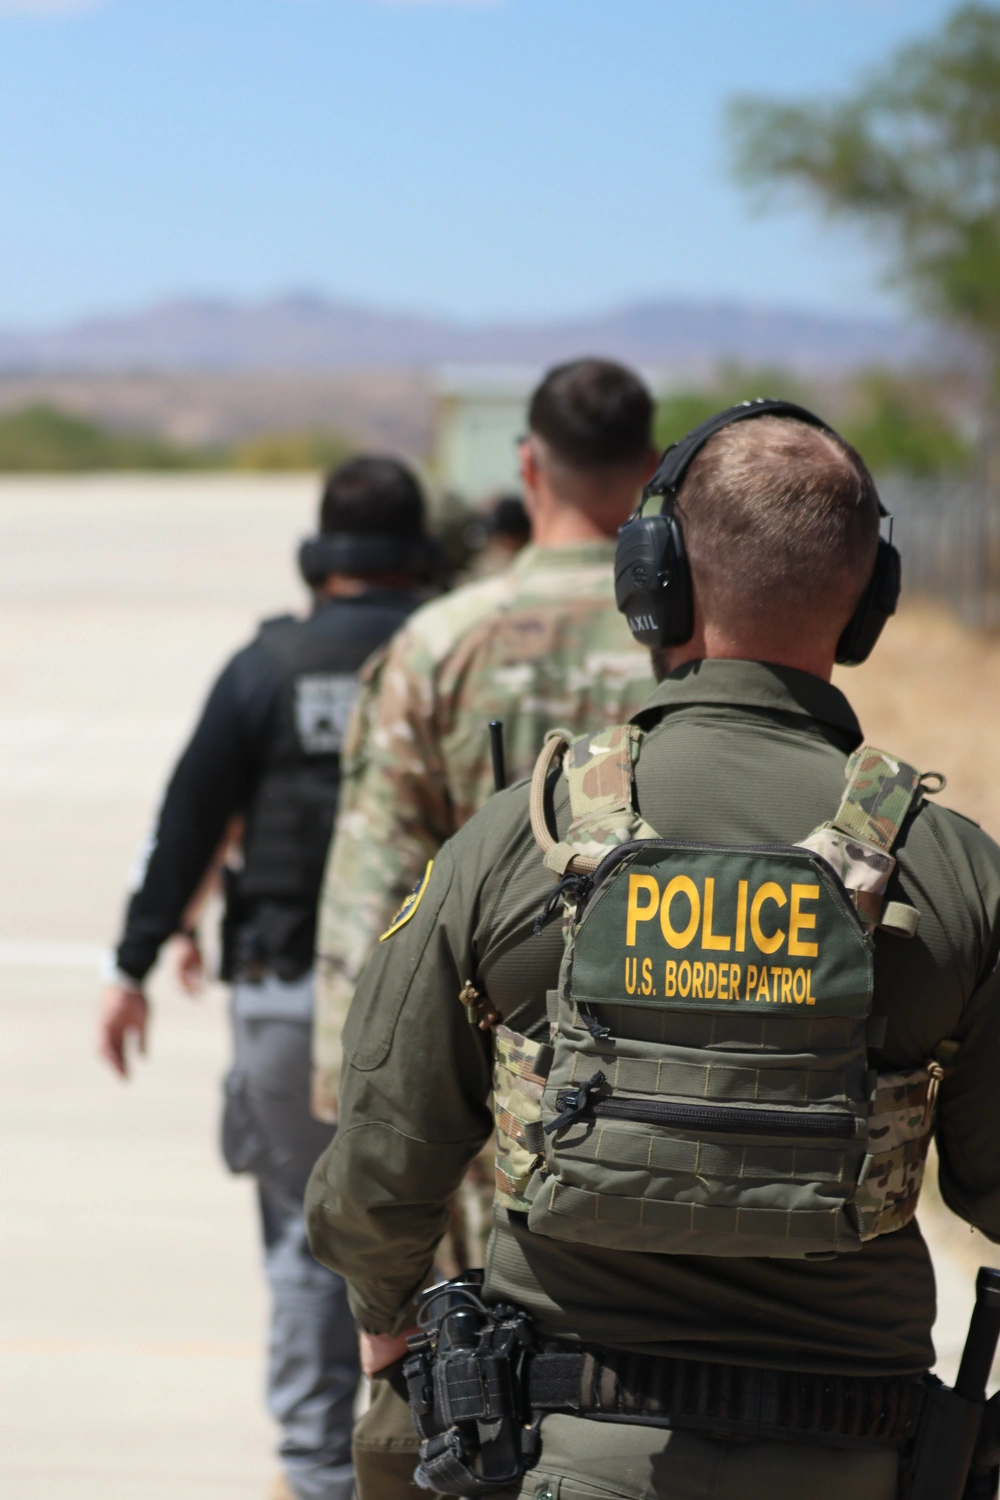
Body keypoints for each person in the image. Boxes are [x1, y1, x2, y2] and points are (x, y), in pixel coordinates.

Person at [304, 404, 1000, 1500]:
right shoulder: (950, 869)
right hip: (859, 1454)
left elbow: (385, 1150)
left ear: (654, 581)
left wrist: (386, 1332)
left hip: (565, 1448)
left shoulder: (518, 841)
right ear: (869, 601)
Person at [98, 457, 435, 1500]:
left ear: (316, 556)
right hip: (436, 1009)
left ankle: (313, 1475)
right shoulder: (446, 653)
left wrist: (137, 960)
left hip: (289, 995)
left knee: (304, 1232)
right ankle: (439, 1460)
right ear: (419, 555)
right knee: (444, 1243)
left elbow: (189, 818)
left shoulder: (265, 666)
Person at [311, 358, 658, 1126]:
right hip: (675, 1099)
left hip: (487, 1103)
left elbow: (378, 876)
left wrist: (354, 1095)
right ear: (653, 469)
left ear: (528, 463)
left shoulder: (440, 644)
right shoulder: (695, 640)